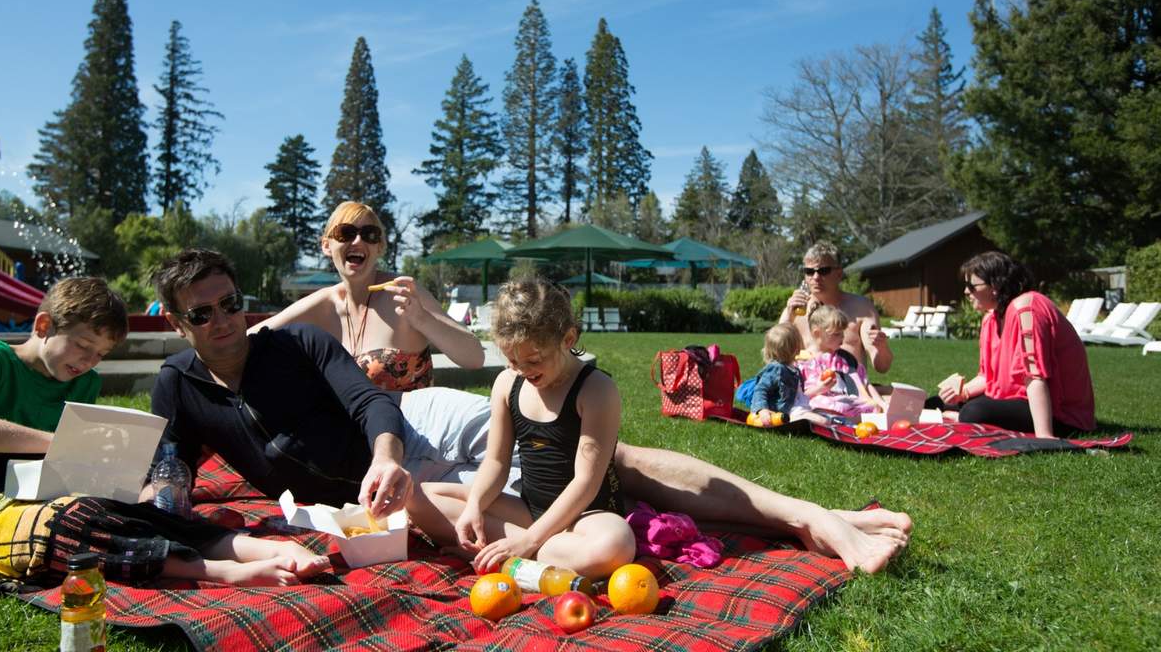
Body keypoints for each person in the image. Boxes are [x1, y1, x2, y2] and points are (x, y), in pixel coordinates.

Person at [152, 247, 913, 574]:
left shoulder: (290, 345)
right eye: (201, 313)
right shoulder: (177, 384)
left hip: (419, 429)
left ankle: (808, 516)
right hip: (398, 493)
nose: (223, 321)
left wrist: (386, 453)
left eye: (230, 303)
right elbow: (168, 461)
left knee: (605, 458)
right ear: (177, 323)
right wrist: (167, 492)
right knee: (532, 507)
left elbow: (370, 404)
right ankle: (805, 521)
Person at [0, 278, 329, 591]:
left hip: (45, 488)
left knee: (141, 508)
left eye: (100, 355)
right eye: (83, 346)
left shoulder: (82, 382)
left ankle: (257, 548)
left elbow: (74, 463)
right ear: (43, 326)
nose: (88, 362)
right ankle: (219, 571)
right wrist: (60, 444)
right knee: (69, 523)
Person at [417, 279, 634, 579]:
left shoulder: (596, 389)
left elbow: (586, 483)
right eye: (512, 360)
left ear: (568, 339)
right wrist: (475, 506)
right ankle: (519, 552)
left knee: (616, 545)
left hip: (584, 518)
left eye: (533, 360)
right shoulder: (508, 384)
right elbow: (496, 462)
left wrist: (528, 541)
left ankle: (508, 551)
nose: (523, 370)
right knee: (419, 495)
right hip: (528, 510)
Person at [250, 201, 484, 389]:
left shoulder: (402, 293)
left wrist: (423, 319)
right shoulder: (323, 303)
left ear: (379, 247)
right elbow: (248, 340)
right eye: (345, 232)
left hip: (409, 430)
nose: (357, 240)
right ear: (326, 245)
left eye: (369, 234)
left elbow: (474, 358)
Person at [934, 251, 1094, 438]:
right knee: (937, 403)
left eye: (972, 286)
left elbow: (1035, 377)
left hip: (1057, 413)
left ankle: (962, 419)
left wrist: (1044, 435)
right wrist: (963, 393)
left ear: (995, 285)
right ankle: (959, 416)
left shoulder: (1026, 309)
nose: (966, 292)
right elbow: (987, 377)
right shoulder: (991, 319)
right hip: (1016, 399)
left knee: (973, 412)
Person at [780, 241, 893, 375]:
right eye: (809, 271)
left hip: (852, 385)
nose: (816, 277)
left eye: (823, 271)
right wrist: (788, 317)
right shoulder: (797, 310)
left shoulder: (862, 308)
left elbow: (882, 367)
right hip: (809, 385)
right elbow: (776, 355)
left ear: (839, 274)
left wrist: (882, 347)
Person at [800, 305, 883, 418]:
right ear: (817, 334)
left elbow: (864, 383)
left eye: (842, 332)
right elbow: (800, 396)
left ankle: (849, 419)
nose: (842, 337)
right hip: (822, 403)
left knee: (872, 406)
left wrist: (881, 403)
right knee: (819, 404)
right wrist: (820, 388)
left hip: (846, 402)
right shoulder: (805, 361)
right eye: (836, 334)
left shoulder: (844, 359)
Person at [750, 324, 805, 421]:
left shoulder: (795, 370)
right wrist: (762, 410)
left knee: (817, 414)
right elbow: (760, 390)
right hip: (782, 414)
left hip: (798, 408)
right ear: (796, 348)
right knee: (817, 419)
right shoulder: (776, 369)